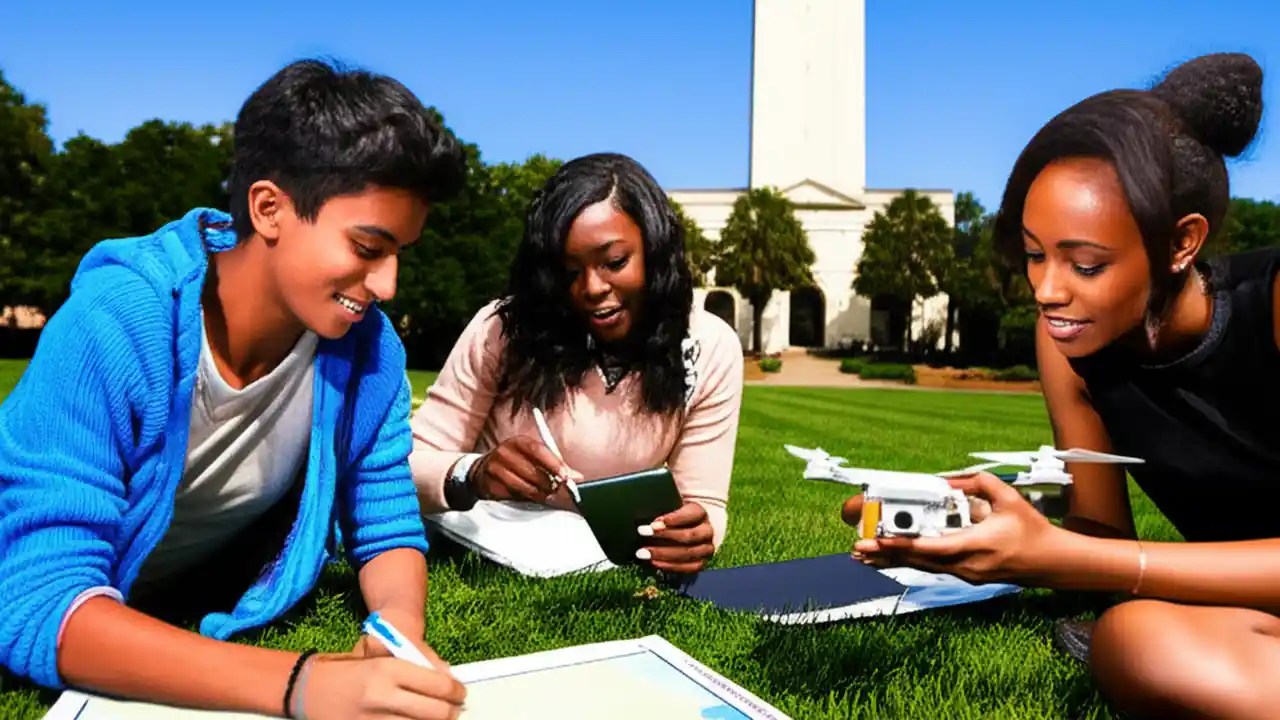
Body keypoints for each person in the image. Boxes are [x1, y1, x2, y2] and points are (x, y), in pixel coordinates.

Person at [0, 59, 471, 719]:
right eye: (368, 248)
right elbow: (36, 600)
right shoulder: (118, 320)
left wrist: (397, 633)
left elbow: (385, 521)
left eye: (402, 254)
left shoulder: (370, 351)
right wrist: (301, 683)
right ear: (269, 207)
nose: (389, 285)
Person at [841, 52, 1278, 720]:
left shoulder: (1271, 301)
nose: (1047, 291)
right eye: (1035, 254)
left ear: (1181, 243)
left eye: (1085, 263)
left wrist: (1073, 559)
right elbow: (1097, 544)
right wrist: (993, 530)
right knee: (1136, 642)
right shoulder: (1069, 339)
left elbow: (1102, 562)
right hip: (1252, 613)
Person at [410, 152, 743, 575]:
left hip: (599, 553)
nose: (591, 288)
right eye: (568, 271)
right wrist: (473, 473)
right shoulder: (504, 327)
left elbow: (705, 502)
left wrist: (696, 535)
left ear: (655, 251)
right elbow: (406, 463)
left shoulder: (709, 345)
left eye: (614, 262)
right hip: (489, 530)